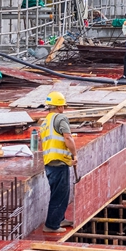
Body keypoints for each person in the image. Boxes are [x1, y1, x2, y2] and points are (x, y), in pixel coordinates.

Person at [40, 91, 77, 233]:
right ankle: (51, 225)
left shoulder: (46, 121)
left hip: (50, 162)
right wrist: (74, 154)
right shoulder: (60, 118)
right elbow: (67, 138)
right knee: (60, 194)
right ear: (60, 107)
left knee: (59, 192)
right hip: (58, 163)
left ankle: (60, 219)